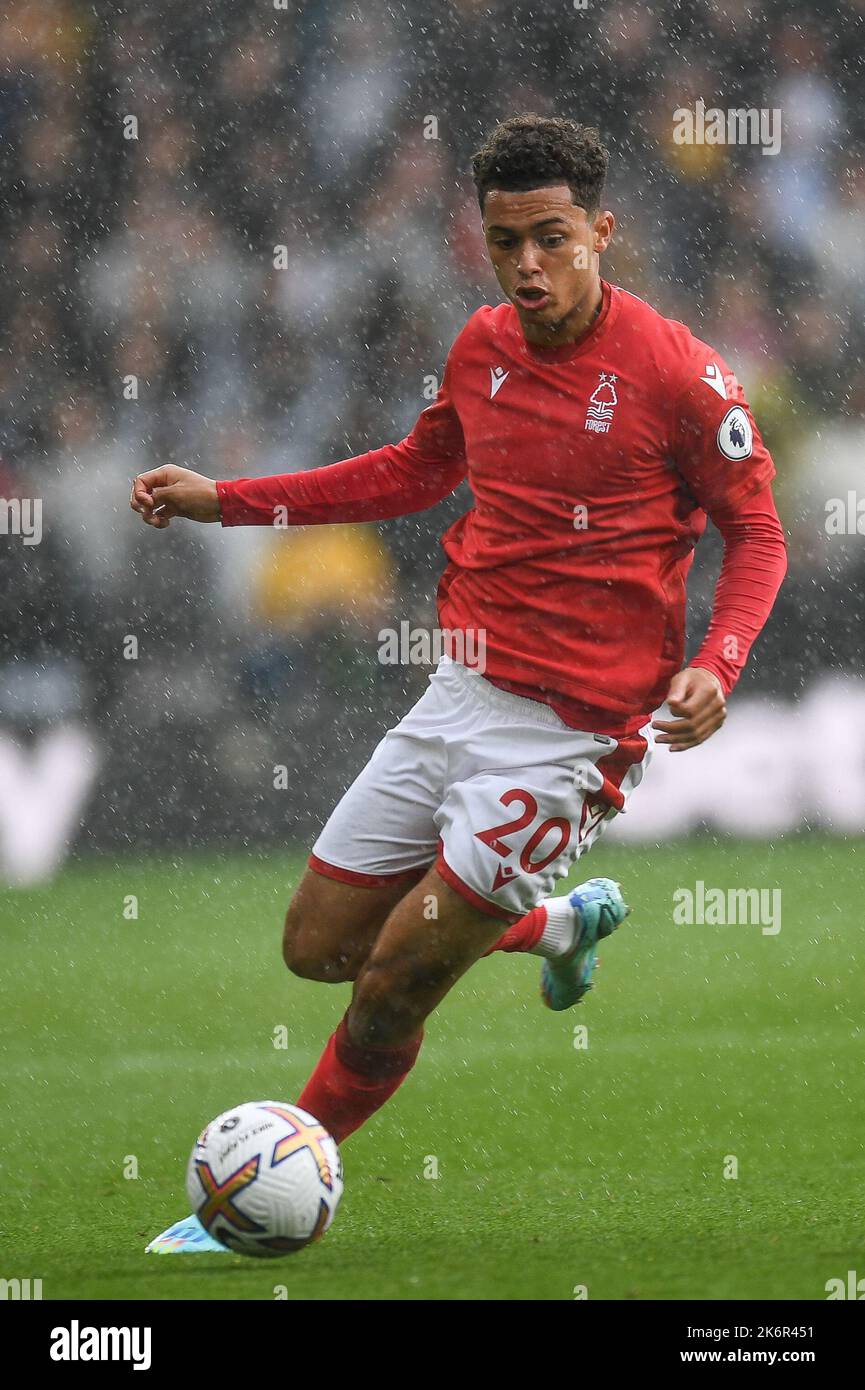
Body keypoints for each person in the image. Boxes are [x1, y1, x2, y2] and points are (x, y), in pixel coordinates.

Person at [133, 114, 787, 1253]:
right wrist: (226, 498)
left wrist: (714, 663)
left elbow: (759, 531)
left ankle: (255, 1196)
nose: (525, 265)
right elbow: (407, 473)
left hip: (572, 742)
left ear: (601, 231)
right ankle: (552, 928)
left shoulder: (678, 372)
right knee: (317, 947)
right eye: (502, 242)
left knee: (389, 982)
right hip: (459, 695)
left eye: (549, 238)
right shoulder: (481, 347)